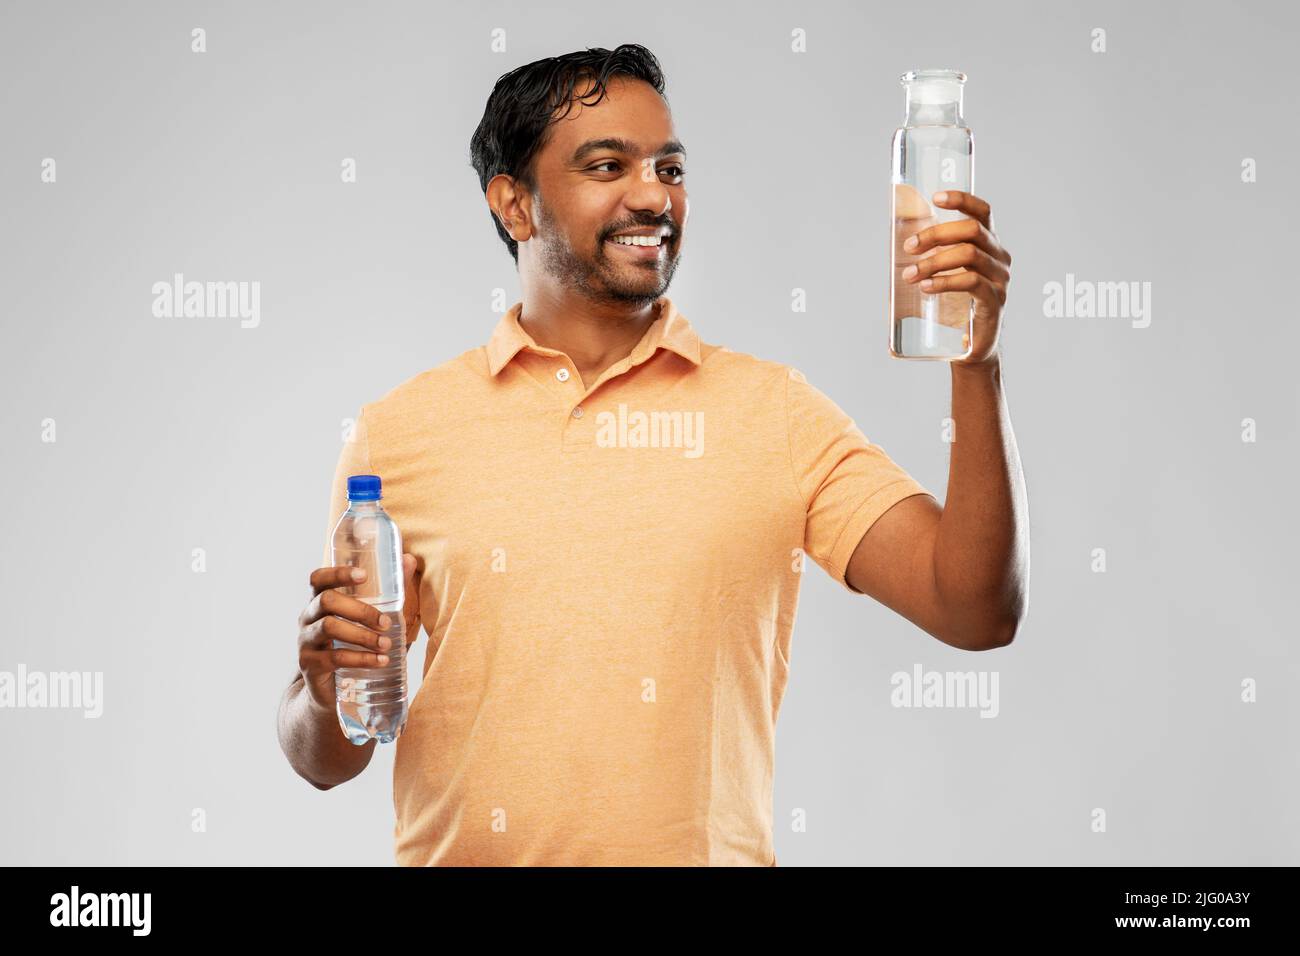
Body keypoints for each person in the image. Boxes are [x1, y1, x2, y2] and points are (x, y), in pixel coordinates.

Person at [277, 43, 1026, 866]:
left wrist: (975, 364)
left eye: (670, 169)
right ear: (514, 205)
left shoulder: (774, 412)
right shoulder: (400, 432)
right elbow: (326, 757)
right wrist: (322, 695)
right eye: (608, 166)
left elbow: (974, 609)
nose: (653, 196)